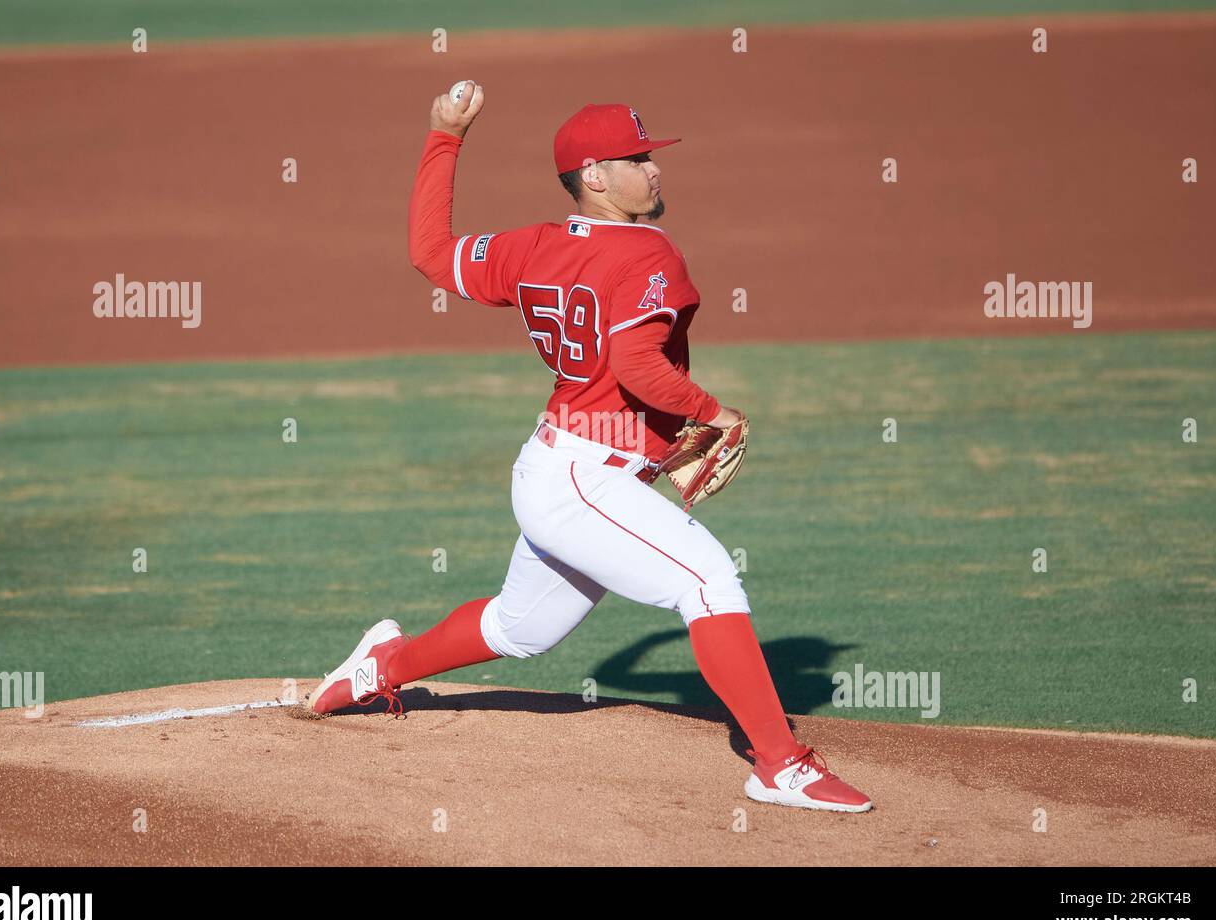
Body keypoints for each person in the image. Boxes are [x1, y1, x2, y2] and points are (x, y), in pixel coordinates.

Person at [306, 82, 872, 813]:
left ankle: (384, 663)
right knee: (706, 582)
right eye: (636, 158)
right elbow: (638, 366)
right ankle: (780, 765)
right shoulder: (648, 254)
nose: (654, 169)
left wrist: (445, 135)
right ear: (594, 176)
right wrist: (713, 412)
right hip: (580, 478)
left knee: (520, 628)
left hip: (561, 467)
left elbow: (429, 252)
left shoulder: (531, 247)